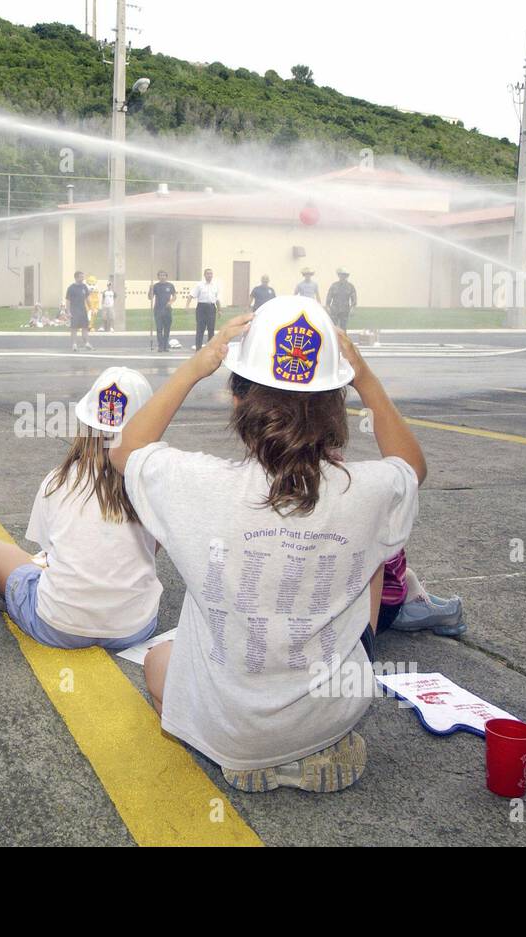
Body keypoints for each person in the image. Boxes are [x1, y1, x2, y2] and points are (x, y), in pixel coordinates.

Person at [109, 296, 426, 794]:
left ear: (237, 401)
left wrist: (195, 366)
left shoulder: (196, 483)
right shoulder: (369, 490)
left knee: (157, 661)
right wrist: (364, 377)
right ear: (337, 406)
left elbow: (126, 450)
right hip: (334, 708)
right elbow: (411, 467)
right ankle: (313, 744)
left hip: (232, 725)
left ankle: (241, 751)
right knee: (375, 556)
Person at [0, 367, 162, 649]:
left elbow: (49, 550)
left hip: (57, 626)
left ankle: (11, 597)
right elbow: (152, 548)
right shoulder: (155, 485)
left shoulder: (58, 480)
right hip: (134, 628)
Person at [186, 267, 220, 350]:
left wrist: (219, 310)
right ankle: (198, 349)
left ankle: (210, 349)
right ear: (204, 275)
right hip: (201, 308)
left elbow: (217, 299)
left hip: (211, 308)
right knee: (200, 329)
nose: (209, 275)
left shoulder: (215, 286)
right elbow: (191, 295)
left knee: (211, 329)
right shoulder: (199, 285)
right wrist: (187, 306)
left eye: (211, 274)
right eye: (208, 274)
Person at [148, 270, 177, 352]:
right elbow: (150, 297)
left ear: (166, 276)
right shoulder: (155, 286)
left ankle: (165, 346)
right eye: (160, 275)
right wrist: (150, 289)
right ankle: (160, 346)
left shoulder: (170, 285)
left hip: (167, 309)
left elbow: (174, 296)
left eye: (164, 275)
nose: (162, 277)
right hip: (158, 310)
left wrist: (170, 302)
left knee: (167, 329)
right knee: (159, 329)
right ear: (158, 277)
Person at [66, 270, 92, 351]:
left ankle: (87, 344)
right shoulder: (71, 288)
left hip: (83, 310)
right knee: (74, 329)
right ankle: (74, 345)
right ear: (76, 278)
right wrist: (68, 312)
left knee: (85, 327)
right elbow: (68, 301)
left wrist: (91, 308)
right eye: (81, 277)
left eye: (83, 277)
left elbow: (87, 298)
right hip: (74, 311)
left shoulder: (84, 287)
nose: (83, 278)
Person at [325, 268, 358, 332]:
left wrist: (353, 309)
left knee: (343, 327)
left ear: (347, 276)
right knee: (333, 327)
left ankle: (342, 338)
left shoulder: (350, 286)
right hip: (334, 309)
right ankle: (334, 338)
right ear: (339, 275)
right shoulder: (334, 285)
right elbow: (329, 296)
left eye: (344, 275)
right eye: (341, 275)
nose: (342, 276)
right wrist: (327, 307)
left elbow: (354, 299)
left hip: (345, 310)